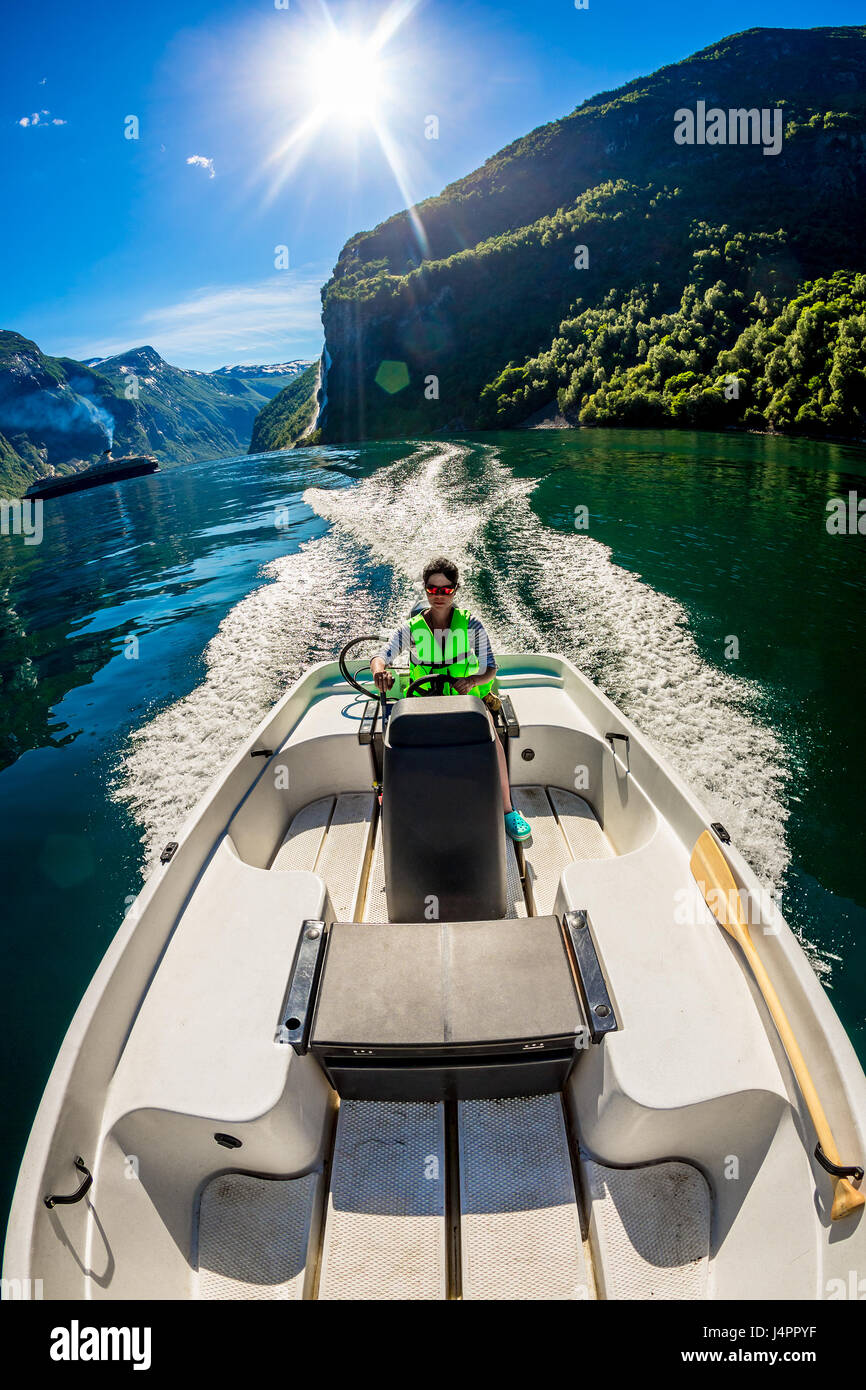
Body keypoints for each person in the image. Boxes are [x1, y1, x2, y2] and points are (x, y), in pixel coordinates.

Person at [370, 557, 532, 843]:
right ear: (425, 589)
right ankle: (399, 800)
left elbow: (490, 668)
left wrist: (472, 682)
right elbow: (381, 656)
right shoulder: (411, 628)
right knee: (398, 741)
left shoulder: (472, 625)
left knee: (492, 741)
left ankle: (507, 810)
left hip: (465, 701)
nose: (439, 596)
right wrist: (380, 671)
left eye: (445, 590)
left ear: (455, 590)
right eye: (433, 589)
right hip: (422, 702)